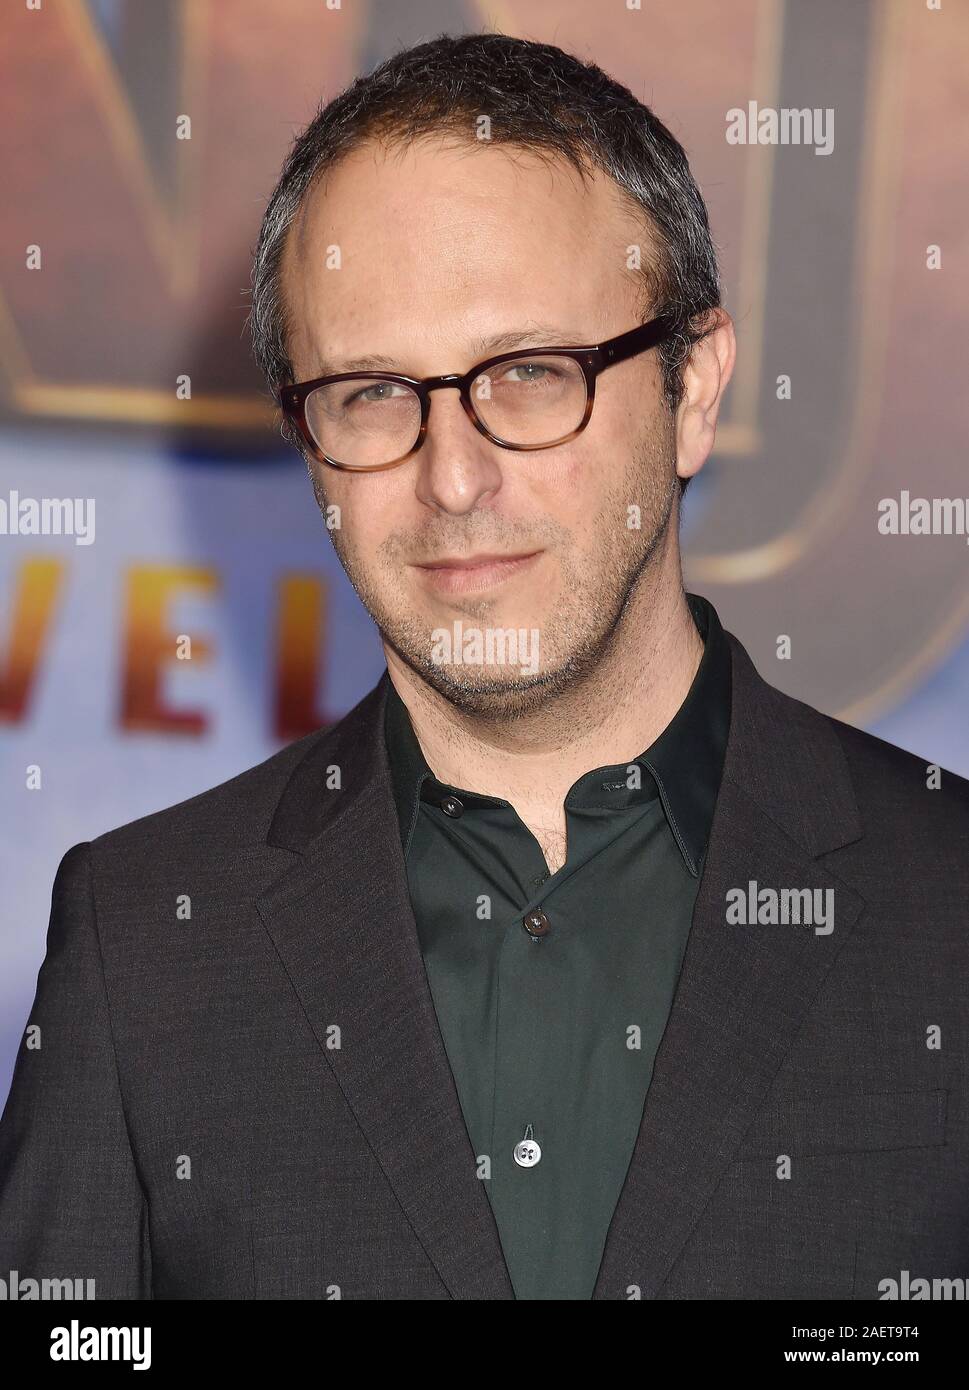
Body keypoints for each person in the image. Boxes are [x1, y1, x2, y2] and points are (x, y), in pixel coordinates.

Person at [1, 32, 967, 1302]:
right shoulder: (144, 945)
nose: (452, 477)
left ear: (694, 390)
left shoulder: (944, 906)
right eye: (371, 392)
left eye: (529, 375)